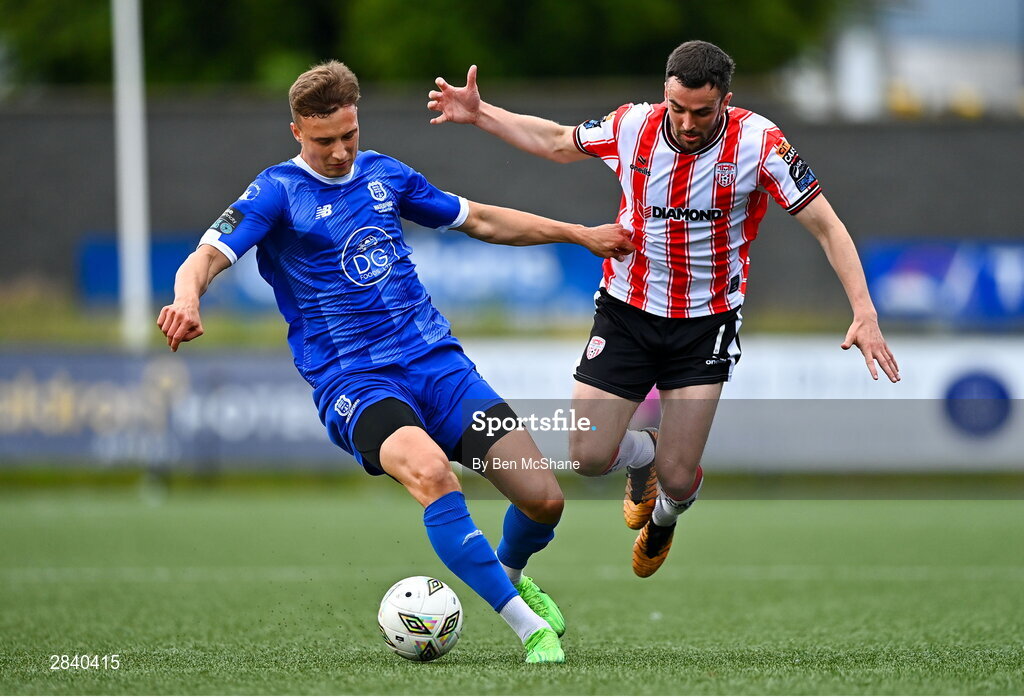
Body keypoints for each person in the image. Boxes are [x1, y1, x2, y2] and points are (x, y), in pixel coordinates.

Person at [157, 60, 634, 663]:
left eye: (349, 135)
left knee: (544, 500)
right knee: (432, 474)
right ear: (297, 132)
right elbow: (204, 256)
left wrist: (579, 233)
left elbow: (481, 219)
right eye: (324, 141)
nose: (340, 152)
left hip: (438, 366)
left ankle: (509, 576)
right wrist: (187, 298)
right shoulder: (275, 191)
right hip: (356, 381)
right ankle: (528, 629)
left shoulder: (386, 175)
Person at [427, 40, 900, 578]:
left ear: (726, 100)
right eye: (677, 108)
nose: (688, 123)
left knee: (678, 479)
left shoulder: (761, 143)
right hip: (628, 310)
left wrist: (864, 312)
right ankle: (643, 454)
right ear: (664, 95)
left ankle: (665, 517)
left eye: (702, 111)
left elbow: (828, 225)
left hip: (706, 322)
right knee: (587, 457)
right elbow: (557, 141)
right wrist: (481, 113)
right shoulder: (633, 126)